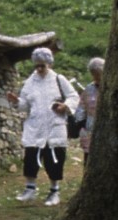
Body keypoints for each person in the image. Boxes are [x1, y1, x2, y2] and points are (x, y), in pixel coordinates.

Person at [5, 46, 79, 206]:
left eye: (42, 65)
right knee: (31, 157)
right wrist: (17, 101)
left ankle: (54, 191)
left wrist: (64, 106)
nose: (39, 69)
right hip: (35, 126)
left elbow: (74, 96)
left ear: (49, 64)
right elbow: (25, 104)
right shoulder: (30, 82)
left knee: (54, 160)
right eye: (36, 65)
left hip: (54, 126)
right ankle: (30, 189)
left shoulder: (59, 79)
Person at [79, 56, 104, 162]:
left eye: (99, 74)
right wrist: (80, 126)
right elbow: (81, 109)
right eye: (94, 74)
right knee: (89, 158)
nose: (96, 77)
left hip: (106, 128)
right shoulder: (89, 89)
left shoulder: (111, 87)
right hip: (90, 128)